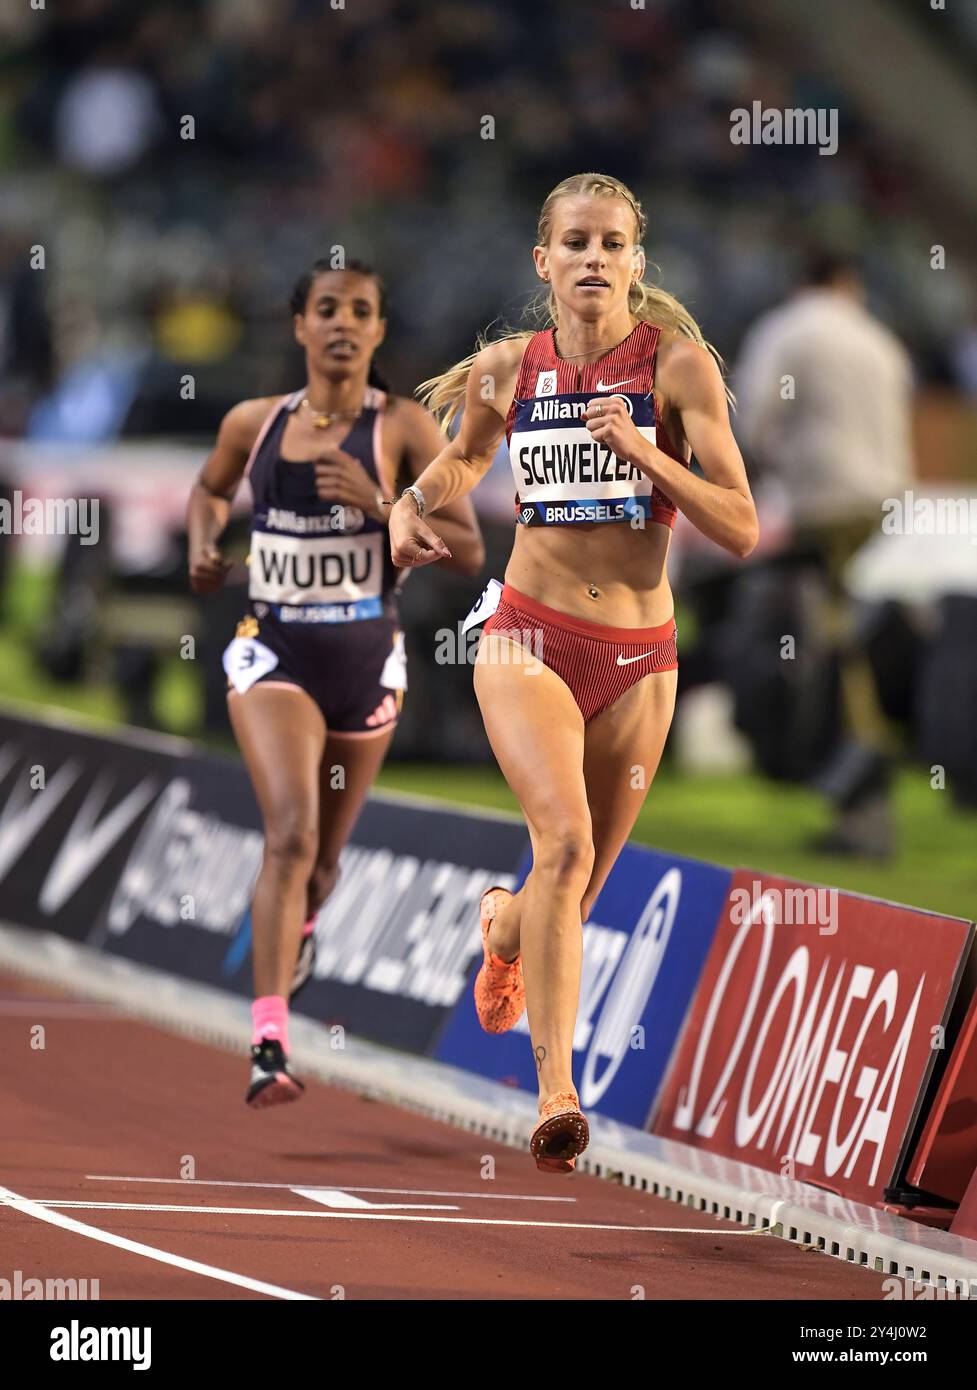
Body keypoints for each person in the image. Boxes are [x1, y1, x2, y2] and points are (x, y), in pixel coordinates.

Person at [390, 173, 758, 1172]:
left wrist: (646, 453)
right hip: (524, 635)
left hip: (640, 658)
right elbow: (463, 460)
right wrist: (408, 504)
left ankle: (501, 932)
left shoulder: (676, 372)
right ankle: (557, 1090)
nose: (592, 258)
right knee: (561, 842)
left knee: (572, 883)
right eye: (575, 242)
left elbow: (738, 525)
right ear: (541, 261)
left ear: (636, 264)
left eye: (612, 243)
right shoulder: (507, 370)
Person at [186, 259, 484, 1107]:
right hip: (274, 649)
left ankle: (306, 918)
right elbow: (207, 494)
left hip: (364, 664)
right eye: (327, 309)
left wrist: (386, 501)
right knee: (287, 836)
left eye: (361, 310)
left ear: (380, 331)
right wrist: (202, 549)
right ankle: (269, 1045)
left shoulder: (405, 430)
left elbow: (469, 553)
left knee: (320, 862)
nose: (344, 323)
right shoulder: (256, 422)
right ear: (300, 327)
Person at [734, 251, 914, 856]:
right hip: (883, 507)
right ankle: (861, 799)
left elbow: (753, 420)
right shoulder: (879, 337)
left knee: (832, 657)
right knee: (846, 643)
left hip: (824, 506)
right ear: (849, 282)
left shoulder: (788, 329)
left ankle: (861, 807)